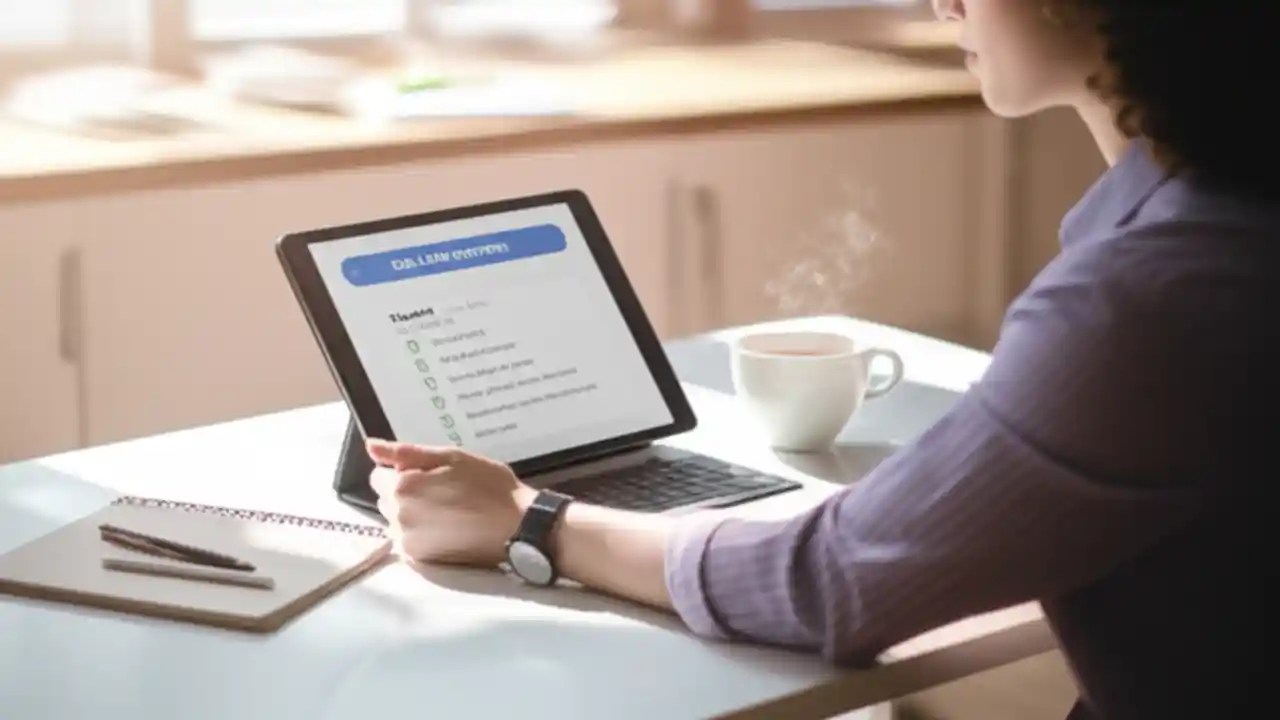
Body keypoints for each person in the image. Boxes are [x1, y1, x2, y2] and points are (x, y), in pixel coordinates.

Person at [364, 2, 1275, 717]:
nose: (941, 3)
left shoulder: (1162, 286)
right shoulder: (1193, 231)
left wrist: (534, 521)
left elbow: (833, 583)